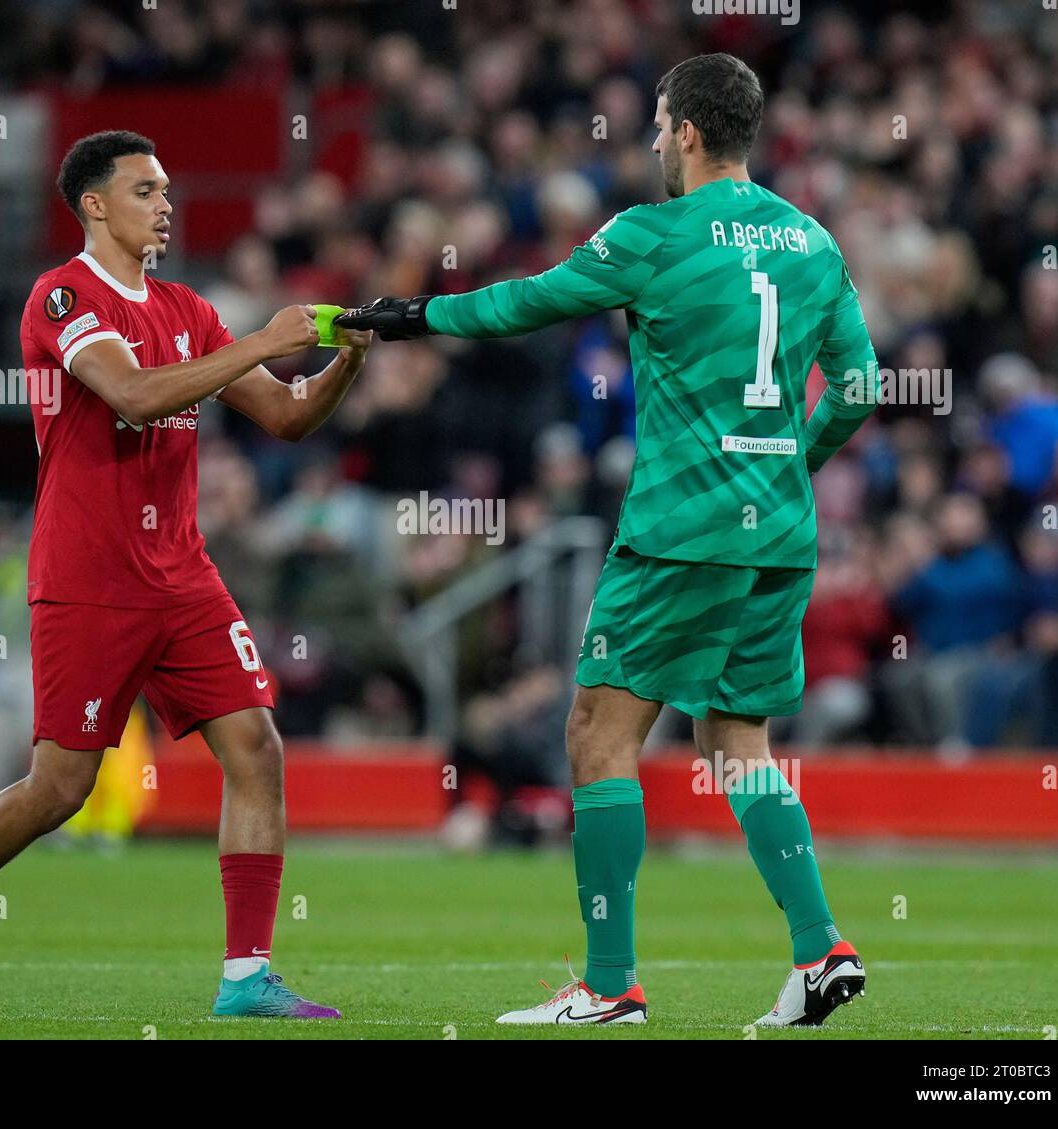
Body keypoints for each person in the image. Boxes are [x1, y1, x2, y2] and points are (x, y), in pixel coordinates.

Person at [338, 53, 875, 1027]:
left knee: (596, 735)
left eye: (660, 125)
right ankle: (820, 949)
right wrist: (793, 460)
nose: (653, 141)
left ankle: (608, 981)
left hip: (680, 531)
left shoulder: (651, 234)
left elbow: (520, 304)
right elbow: (862, 387)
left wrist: (410, 316)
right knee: (737, 739)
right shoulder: (813, 243)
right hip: (780, 536)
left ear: (689, 136)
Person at [0, 130, 371, 1020]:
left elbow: (288, 419)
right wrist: (263, 336)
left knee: (256, 745)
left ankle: (245, 975)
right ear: (95, 205)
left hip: (181, 573)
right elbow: (138, 394)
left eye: (169, 188)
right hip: (87, 576)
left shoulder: (188, 307)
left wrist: (346, 362)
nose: (166, 203)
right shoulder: (61, 296)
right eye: (145, 190)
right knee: (60, 787)